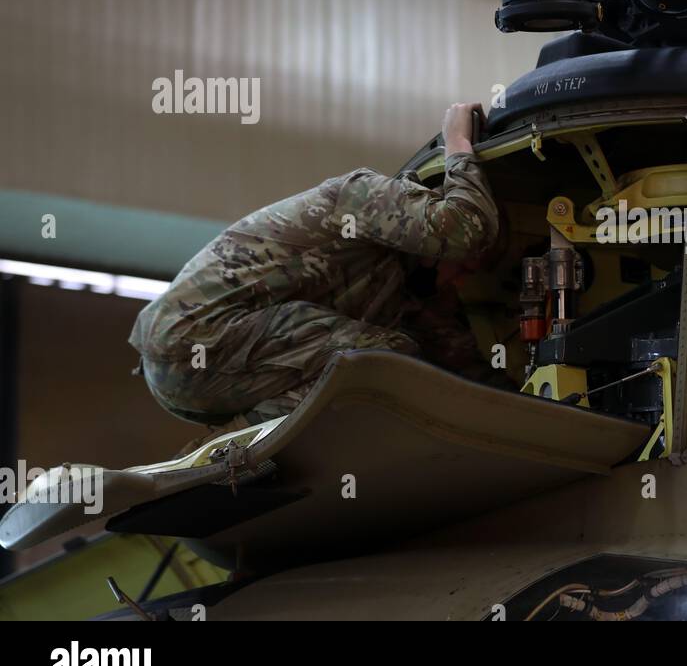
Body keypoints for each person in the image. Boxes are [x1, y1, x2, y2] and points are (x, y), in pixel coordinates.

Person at [129, 103, 499, 444]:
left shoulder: (405, 291)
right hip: (193, 339)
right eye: (465, 268)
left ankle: (232, 445)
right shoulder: (361, 197)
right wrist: (458, 141)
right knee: (387, 362)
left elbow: (460, 366)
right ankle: (236, 447)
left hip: (208, 373)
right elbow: (467, 230)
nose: (463, 280)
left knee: (397, 364)